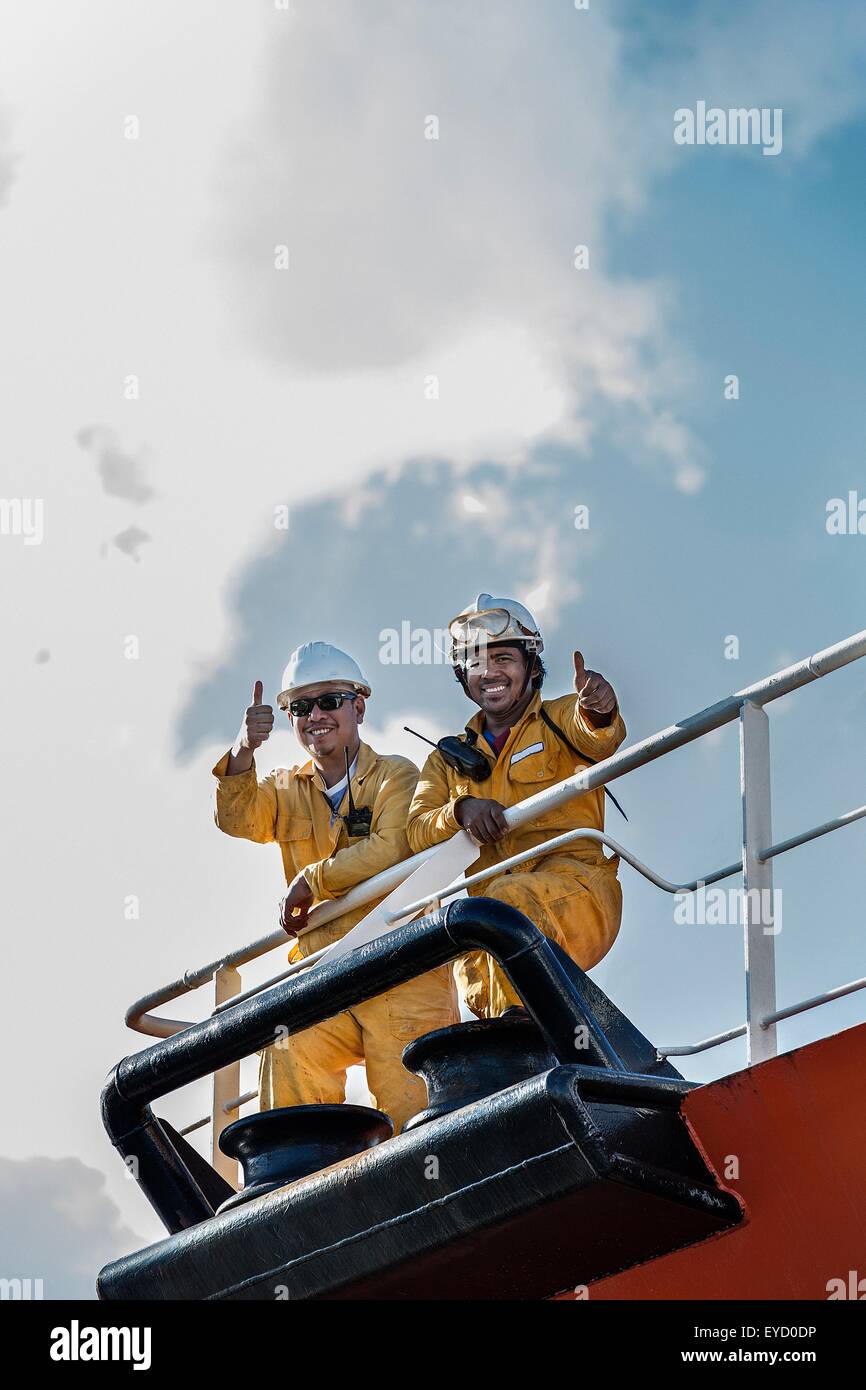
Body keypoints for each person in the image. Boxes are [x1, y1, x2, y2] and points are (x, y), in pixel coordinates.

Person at [211, 641, 458, 1132]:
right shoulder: (285, 789)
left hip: (398, 966)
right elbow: (236, 817)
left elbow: (391, 849)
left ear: (359, 706)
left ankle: (433, 1189)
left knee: (419, 1113)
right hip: (323, 971)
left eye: (329, 702)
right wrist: (242, 749)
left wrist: (312, 881)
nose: (315, 715)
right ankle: (301, 1185)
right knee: (288, 1049)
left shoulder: (397, 776)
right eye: (300, 707)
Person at [406, 594, 627, 1019]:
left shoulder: (561, 717)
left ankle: (525, 1036)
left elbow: (599, 733)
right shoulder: (445, 761)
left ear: (531, 664)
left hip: (577, 893)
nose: (489, 672)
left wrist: (601, 707)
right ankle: (521, 1042)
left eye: (504, 658)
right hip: (487, 934)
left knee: (503, 906)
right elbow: (415, 830)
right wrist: (461, 810)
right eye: (474, 662)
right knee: (484, 917)